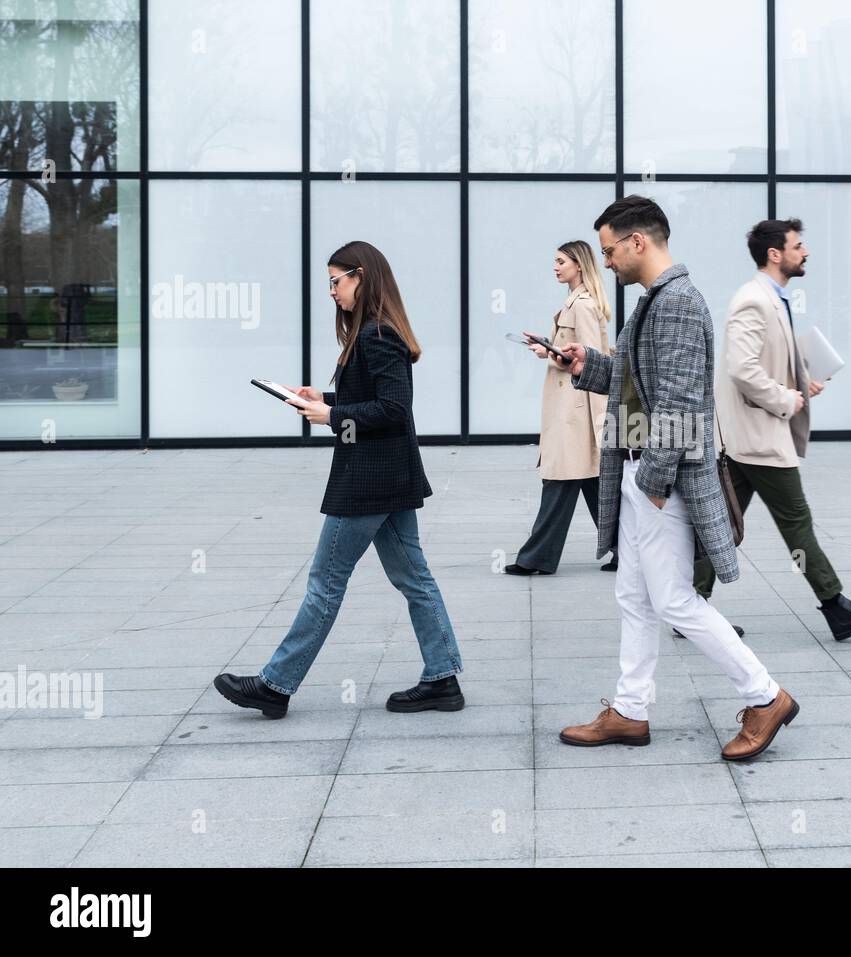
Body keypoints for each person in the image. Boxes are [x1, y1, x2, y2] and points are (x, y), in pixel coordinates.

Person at [545, 195, 798, 762]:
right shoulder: (655, 299)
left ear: (639, 242)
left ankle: (765, 696)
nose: (604, 261)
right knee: (634, 597)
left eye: (609, 250)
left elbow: (681, 403)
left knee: (675, 600)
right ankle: (631, 712)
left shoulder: (677, 302)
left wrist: (652, 483)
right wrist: (589, 364)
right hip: (644, 469)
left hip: (661, 478)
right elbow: (642, 382)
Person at [213, 240, 465, 719]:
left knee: (325, 582)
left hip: (369, 480)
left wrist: (330, 414)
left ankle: (276, 684)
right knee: (414, 579)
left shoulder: (376, 334)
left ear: (361, 277)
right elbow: (374, 398)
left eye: (336, 280)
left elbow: (394, 409)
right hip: (388, 477)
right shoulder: (372, 332)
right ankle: (442, 678)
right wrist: (322, 397)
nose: (331, 291)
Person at [692, 219, 851, 641]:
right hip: (757, 436)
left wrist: (801, 380)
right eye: (798, 246)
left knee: (722, 523)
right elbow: (741, 368)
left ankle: (690, 604)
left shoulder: (773, 298)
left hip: (749, 435)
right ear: (775, 253)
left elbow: (762, 362)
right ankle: (836, 607)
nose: (805, 253)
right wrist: (786, 399)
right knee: (795, 521)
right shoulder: (753, 300)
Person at [507, 240, 616, 575]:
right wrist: (548, 348)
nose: (555, 267)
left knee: (560, 480)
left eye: (560, 261)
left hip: (575, 410)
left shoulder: (582, 305)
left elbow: (592, 359)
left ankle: (536, 558)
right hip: (572, 407)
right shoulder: (575, 301)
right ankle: (630, 551)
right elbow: (575, 353)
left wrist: (551, 352)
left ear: (578, 265)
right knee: (589, 483)